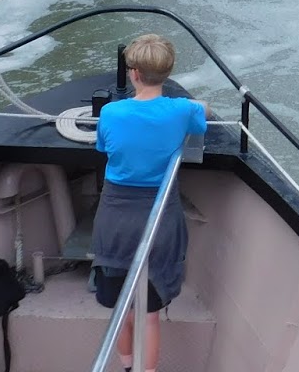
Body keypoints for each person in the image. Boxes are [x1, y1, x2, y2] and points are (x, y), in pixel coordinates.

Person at [91, 35, 207, 372]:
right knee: (149, 316)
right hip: (160, 218)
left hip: (115, 218)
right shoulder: (182, 110)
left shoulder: (112, 112)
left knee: (121, 310)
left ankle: (127, 366)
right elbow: (200, 119)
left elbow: (103, 148)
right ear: (166, 74)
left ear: (134, 73)